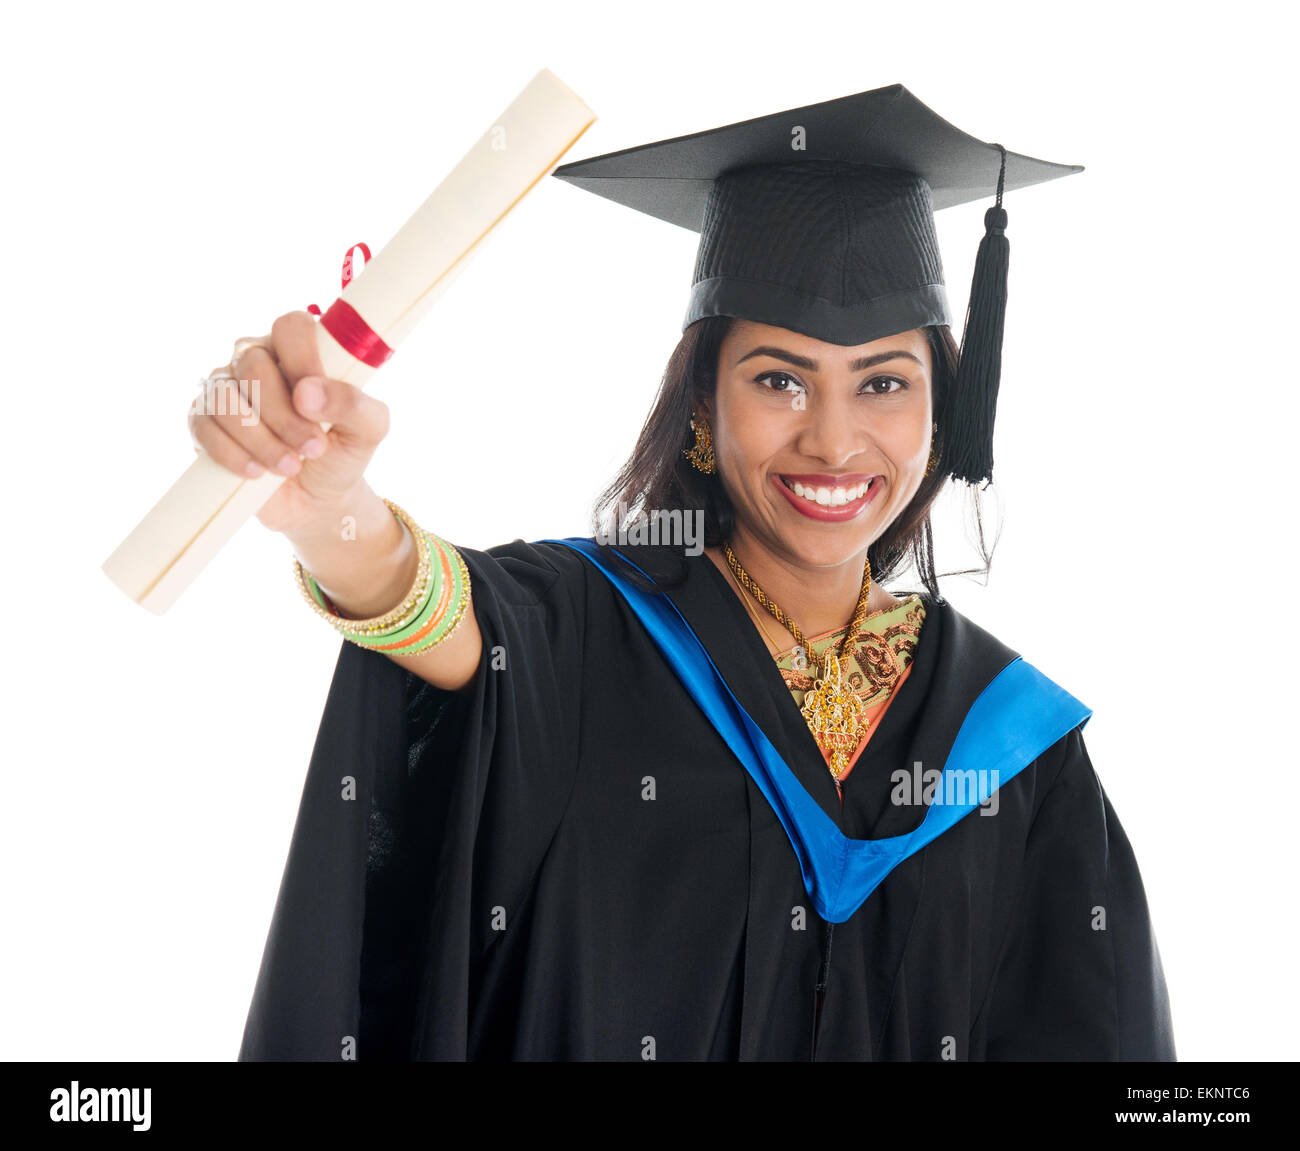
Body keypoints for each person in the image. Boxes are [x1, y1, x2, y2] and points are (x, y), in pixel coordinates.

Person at [192, 83, 1176, 1061]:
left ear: (942, 413)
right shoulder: (586, 630)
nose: (834, 441)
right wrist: (336, 516)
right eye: (778, 379)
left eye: (883, 381)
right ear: (702, 403)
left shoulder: (1014, 744)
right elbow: (438, 614)